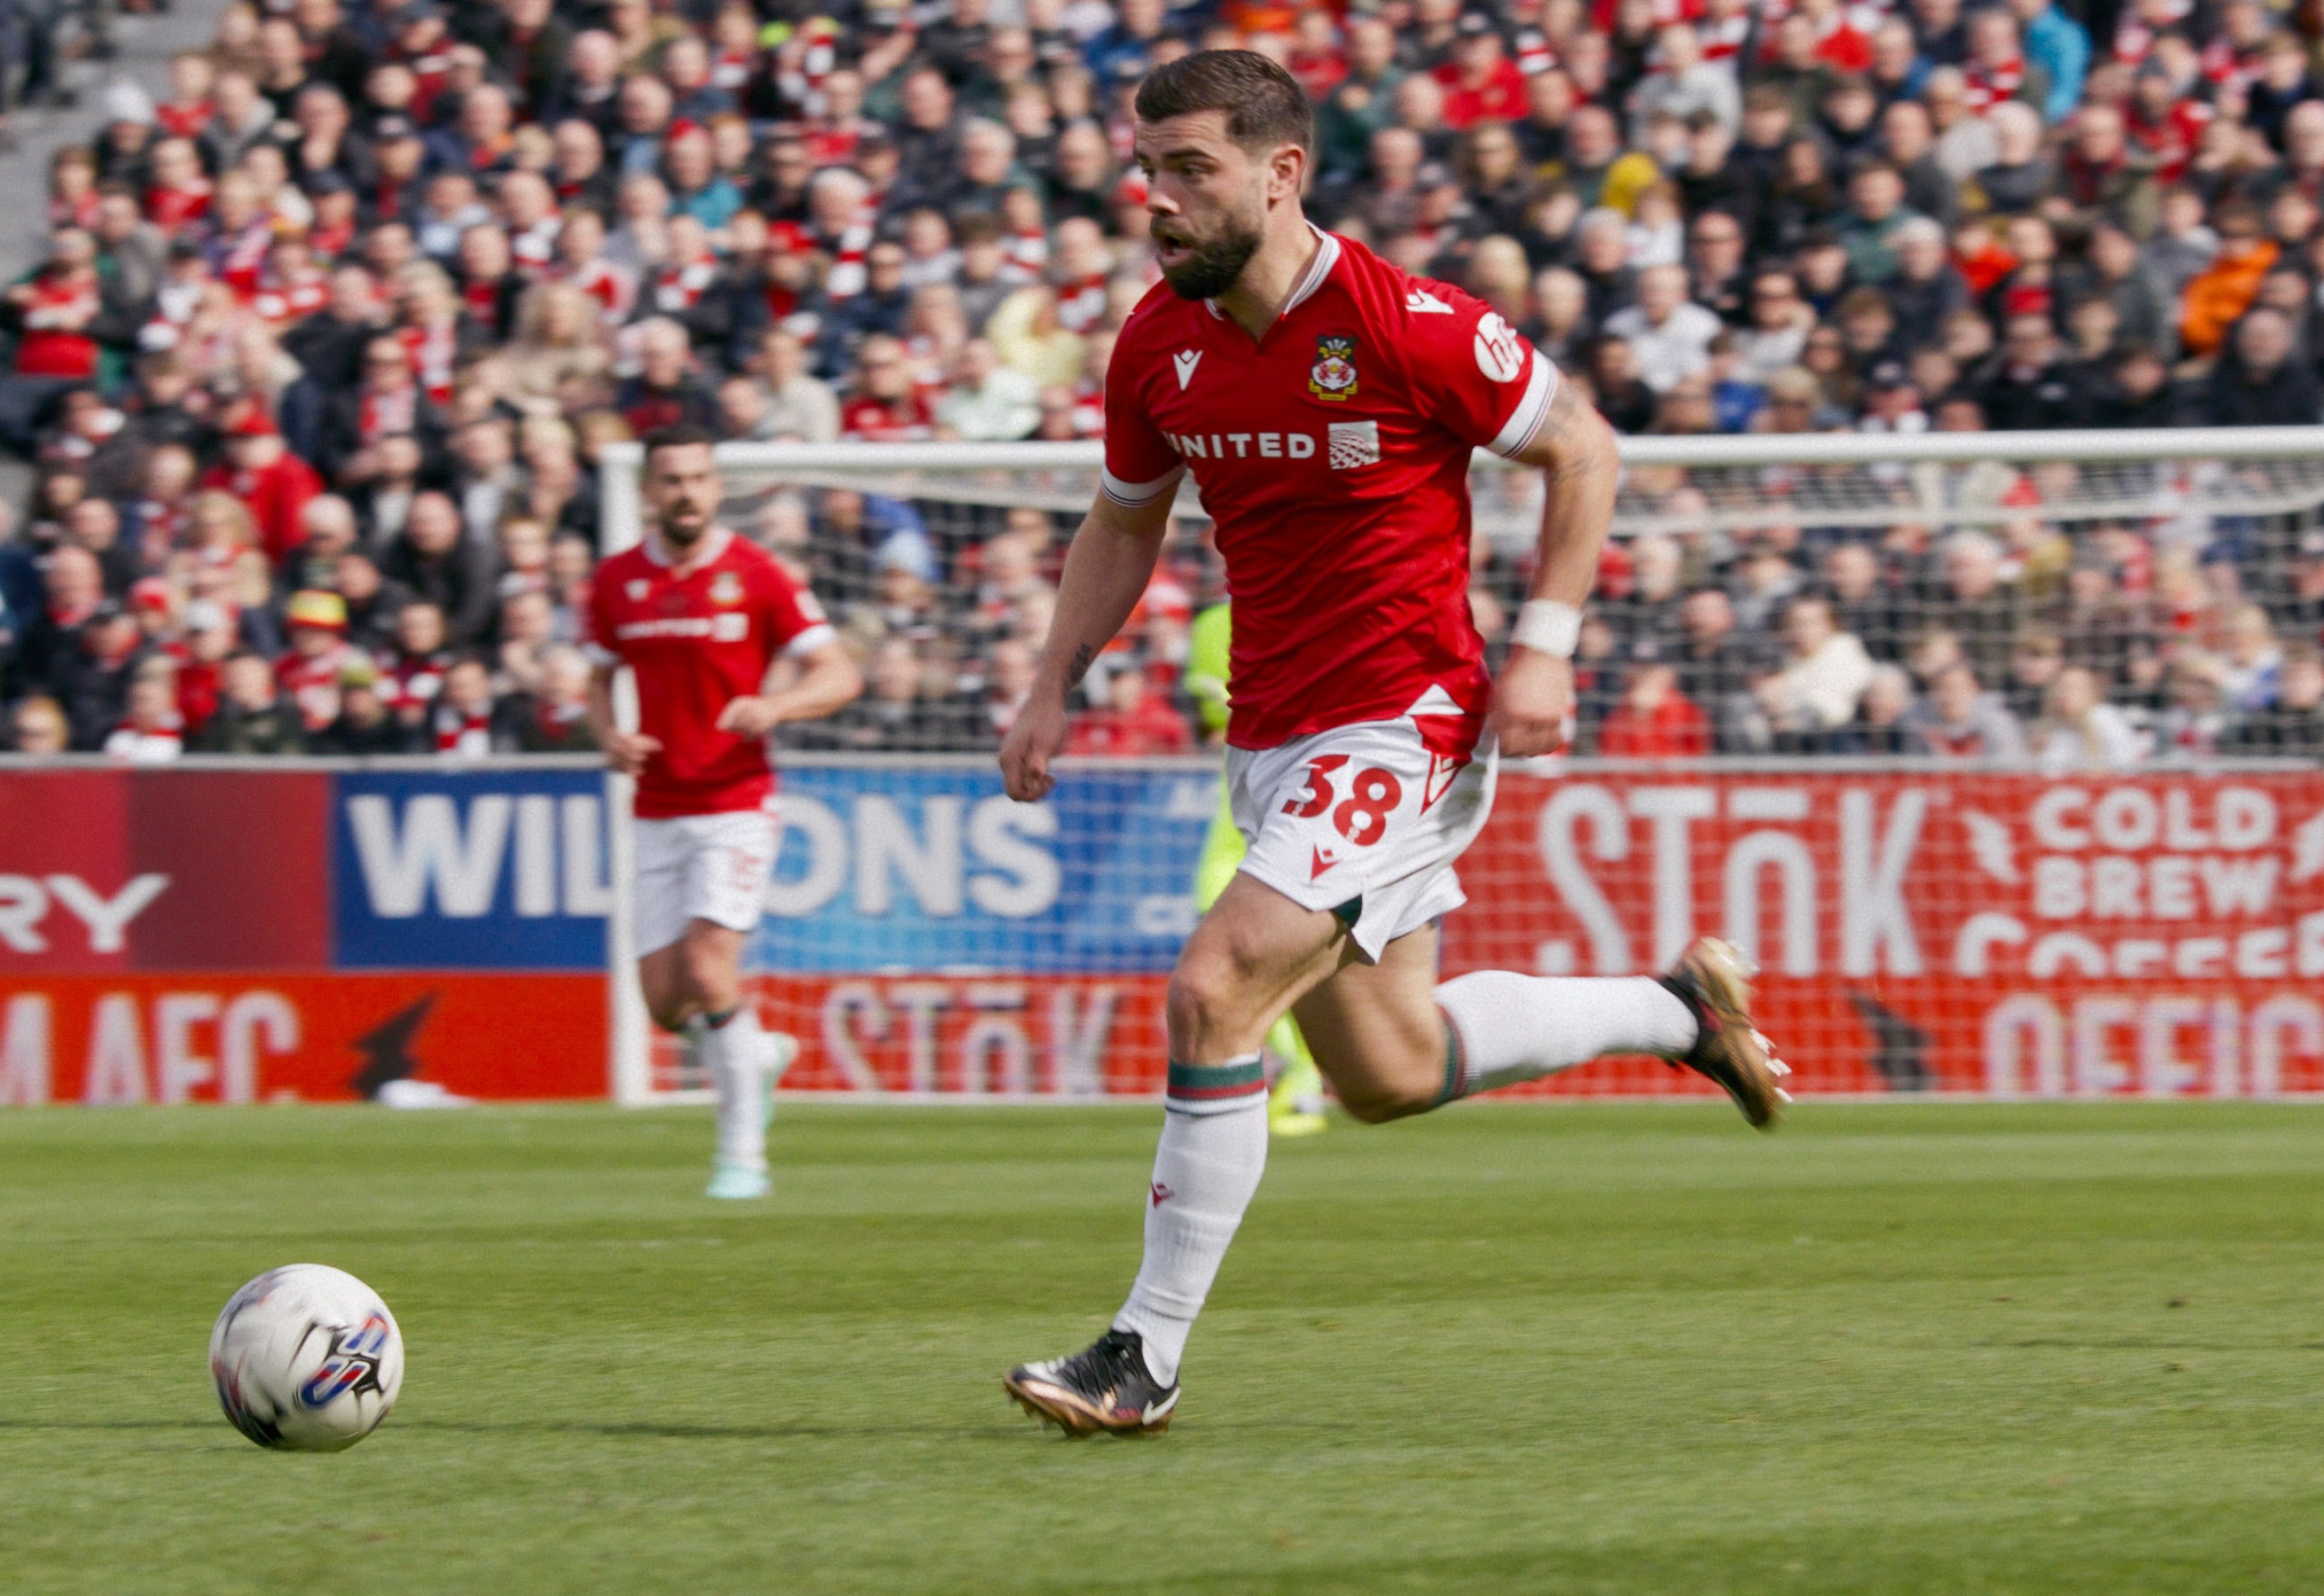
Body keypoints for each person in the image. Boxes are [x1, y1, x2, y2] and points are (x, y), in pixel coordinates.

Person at [997, 52, 1785, 1439]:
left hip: (1407, 717)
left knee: (1215, 985)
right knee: (1391, 1072)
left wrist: (1546, 640)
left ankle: (1143, 1354)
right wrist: (1055, 677)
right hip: (1278, 734)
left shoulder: (1408, 324)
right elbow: (1124, 523)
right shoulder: (1154, 345)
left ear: (1280, 173)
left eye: (1191, 170)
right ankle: (1678, 1012)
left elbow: (1583, 447)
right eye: (1148, 170)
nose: (1158, 201)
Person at [584, 426, 864, 1201]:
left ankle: (743, 1156)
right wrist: (609, 735)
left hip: (736, 802)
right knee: (667, 1006)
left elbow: (840, 674)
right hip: (654, 810)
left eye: (699, 478)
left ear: (715, 486)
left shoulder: (757, 574)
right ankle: (754, 1055)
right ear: (648, 490)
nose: (686, 492)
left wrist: (776, 705)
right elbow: (598, 677)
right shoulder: (616, 582)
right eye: (672, 479)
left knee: (712, 970)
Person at [1184, 599, 1326, 1137]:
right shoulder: (1212, 624)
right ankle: (1296, 1075)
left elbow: (1214, 720)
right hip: (1247, 796)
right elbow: (1212, 723)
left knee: (1256, 945)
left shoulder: (1225, 624)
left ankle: (1303, 1078)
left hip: (1289, 793)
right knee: (1230, 941)